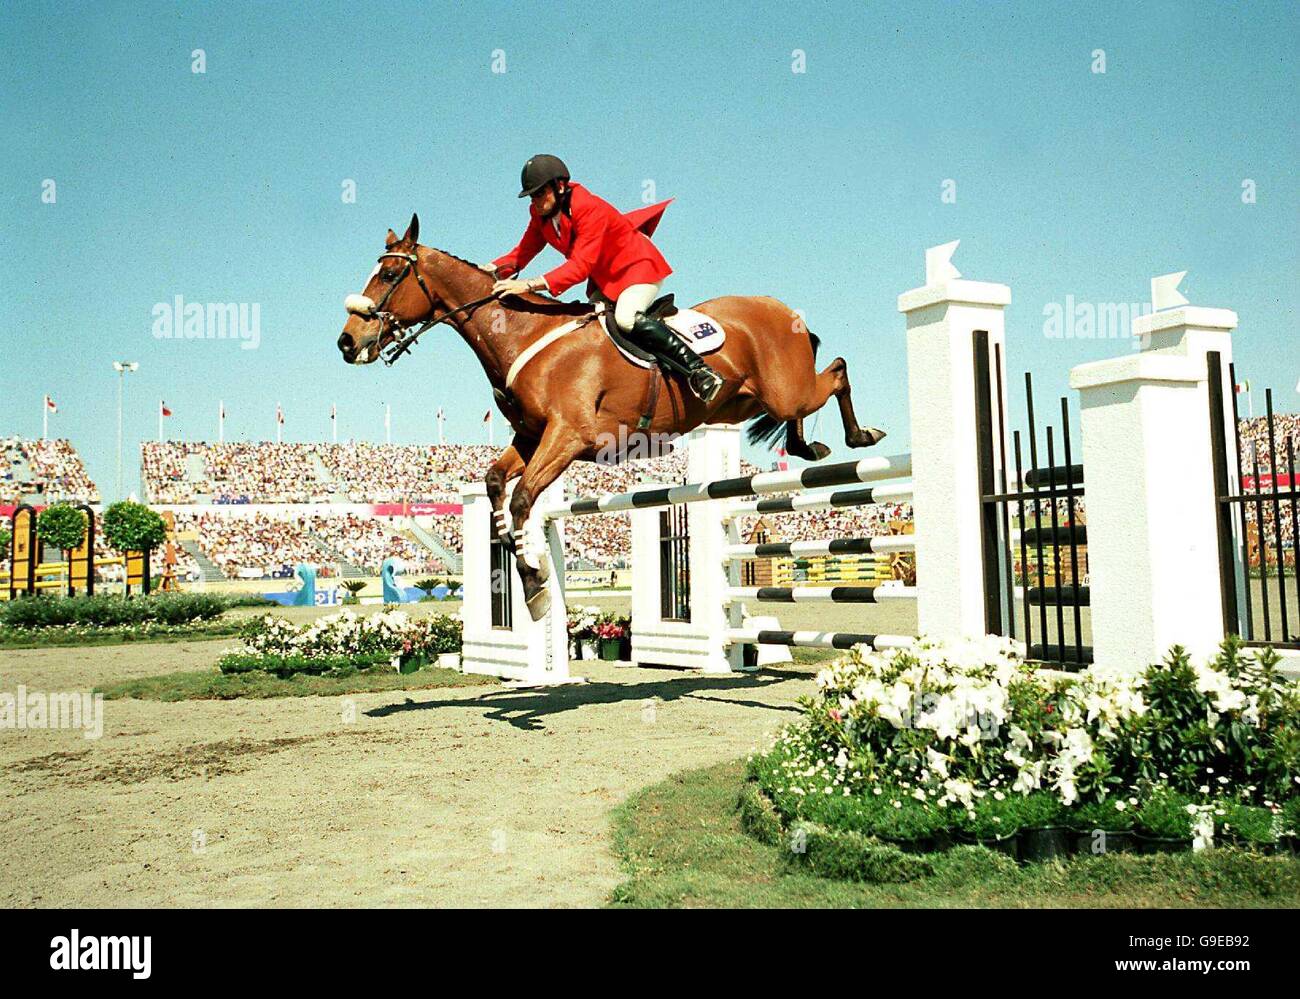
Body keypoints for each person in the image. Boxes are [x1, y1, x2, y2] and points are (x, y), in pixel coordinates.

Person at [489, 154, 724, 402]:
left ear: (559, 186)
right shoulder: (540, 214)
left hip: (637, 268)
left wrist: (528, 284)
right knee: (588, 324)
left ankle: (700, 371)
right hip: (606, 281)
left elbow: (580, 266)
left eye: (539, 193)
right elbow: (522, 252)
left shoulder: (587, 207)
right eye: (532, 196)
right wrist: (489, 269)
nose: (535, 201)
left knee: (625, 318)